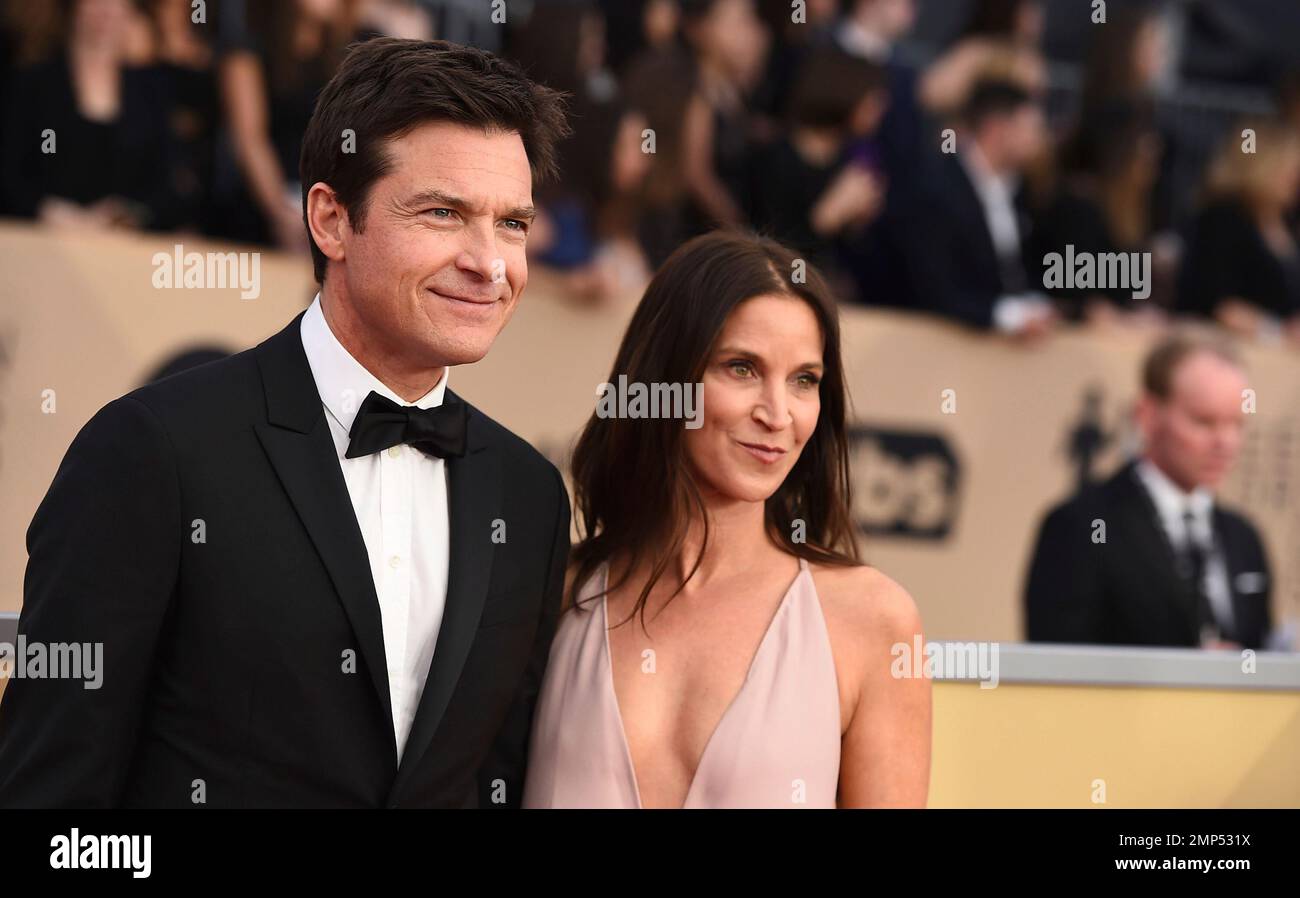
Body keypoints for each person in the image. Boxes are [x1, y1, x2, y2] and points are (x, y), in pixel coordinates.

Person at [0, 38, 571, 809]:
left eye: (512, 224)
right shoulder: (154, 451)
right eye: (444, 213)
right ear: (331, 220)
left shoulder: (530, 498)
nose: (491, 263)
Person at [523, 232, 931, 809]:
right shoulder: (558, 596)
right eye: (741, 368)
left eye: (804, 380)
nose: (777, 413)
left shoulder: (870, 621)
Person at [1025, 333, 1272, 650]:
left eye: (1237, 425)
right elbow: (1057, 667)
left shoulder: (1244, 537)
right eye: (1204, 422)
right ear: (1148, 414)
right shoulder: (1080, 526)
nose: (1225, 443)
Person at [877, 78, 1054, 336]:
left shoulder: (1021, 190)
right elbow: (933, 286)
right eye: (1030, 129)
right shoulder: (934, 187)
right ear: (997, 129)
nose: (1039, 140)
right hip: (931, 347)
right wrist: (1004, 315)